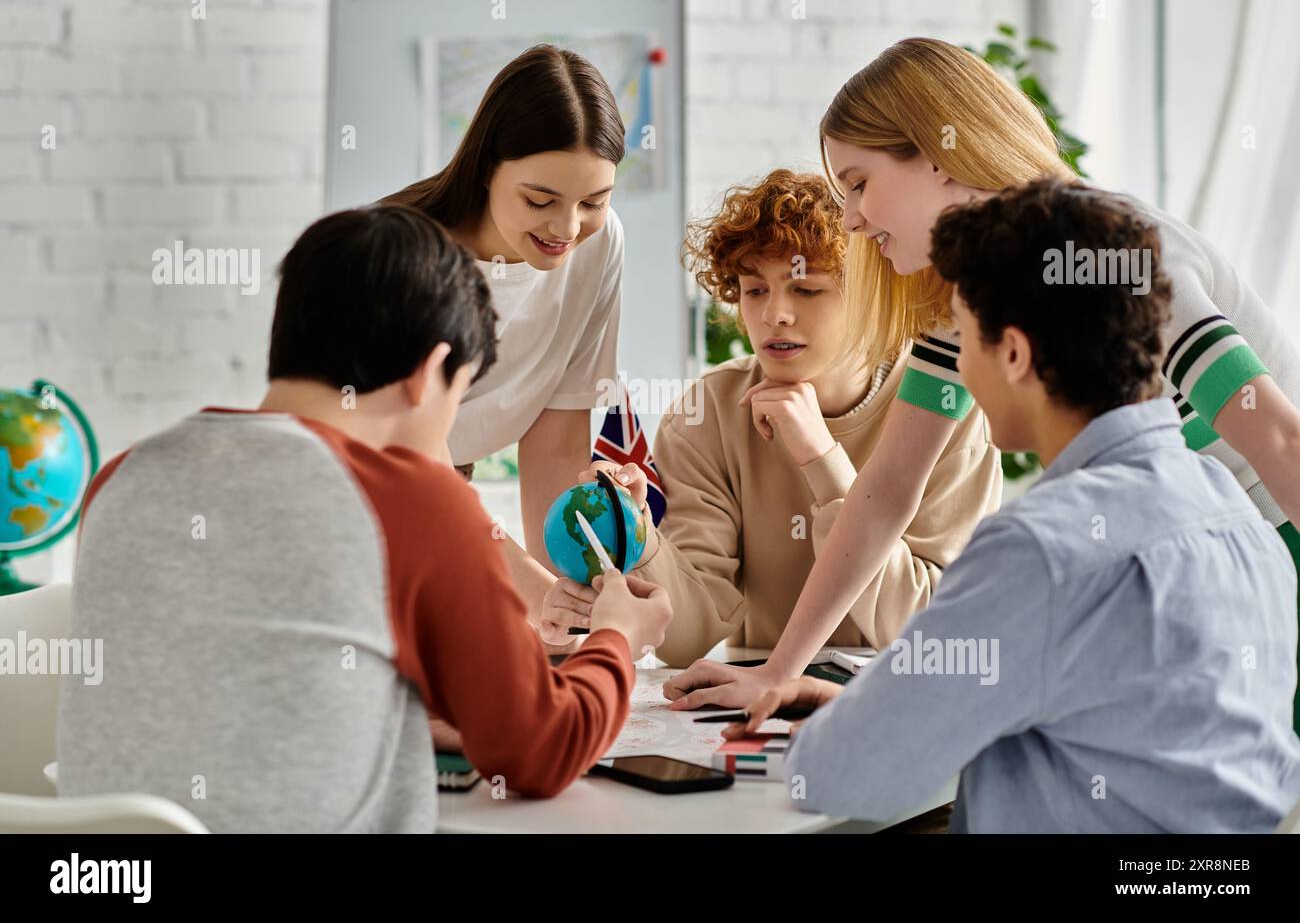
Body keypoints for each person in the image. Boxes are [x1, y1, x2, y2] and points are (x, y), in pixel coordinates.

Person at [665, 37, 1300, 719]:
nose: (850, 218)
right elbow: (884, 494)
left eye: (858, 184)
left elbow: (1279, 441)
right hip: (1189, 574)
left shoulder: (1117, 255)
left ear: (936, 158)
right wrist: (778, 673)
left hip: (1271, 546)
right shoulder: (970, 290)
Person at [58, 205, 670, 832]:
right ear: (429, 373)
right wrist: (618, 636)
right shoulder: (412, 500)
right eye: (458, 396)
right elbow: (541, 751)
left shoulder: (122, 478)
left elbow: (234, 678)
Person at [730, 179, 1300, 832]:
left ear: (1014, 355)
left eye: (965, 339)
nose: (958, 373)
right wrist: (892, 703)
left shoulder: (1040, 549)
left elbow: (835, 775)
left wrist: (858, 725)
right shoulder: (1238, 515)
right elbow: (1132, 737)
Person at [538, 170, 1000, 672]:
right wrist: (640, 536)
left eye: (806, 290)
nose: (775, 314)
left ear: (870, 291)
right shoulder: (709, 413)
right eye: (755, 290)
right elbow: (687, 638)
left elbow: (932, 630)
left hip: (900, 695)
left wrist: (823, 462)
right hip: (757, 699)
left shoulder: (947, 407)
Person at [383, 44, 628, 610]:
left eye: (594, 201)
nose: (566, 228)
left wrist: (572, 602)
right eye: (540, 199)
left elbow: (556, 446)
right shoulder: (402, 251)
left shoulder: (601, 244)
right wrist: (537, 598)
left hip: (450, 503)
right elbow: (418, 470)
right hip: (375, 496)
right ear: (486, 167)